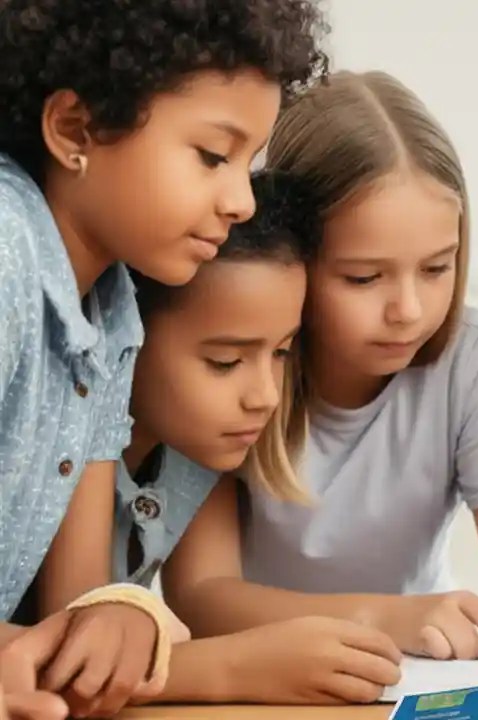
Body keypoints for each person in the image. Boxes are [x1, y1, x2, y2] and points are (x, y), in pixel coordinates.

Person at [158, 70, 478, 669]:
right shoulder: (239, 366)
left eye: (436, 268)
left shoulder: (477, 360)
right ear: (294, 261)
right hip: (262, 675)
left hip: (415, 674)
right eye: (363, 277)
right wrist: (386, 616)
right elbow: (203, 595)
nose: (408, 311)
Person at [0, 1, 326, 715]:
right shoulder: (7, 251)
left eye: (250, 164)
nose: (242, 200)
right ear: (73, 129)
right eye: (213, 155)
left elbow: (76, 611)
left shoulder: (113, 310)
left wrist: (123, 612)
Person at [114, 171, 403, 705]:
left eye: (281, 352)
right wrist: (229, 666)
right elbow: (61, 642)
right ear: (124, 331)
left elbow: (207, 590)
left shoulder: (195, 450)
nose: (266, 395)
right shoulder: (62, 457)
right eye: (225, 362)